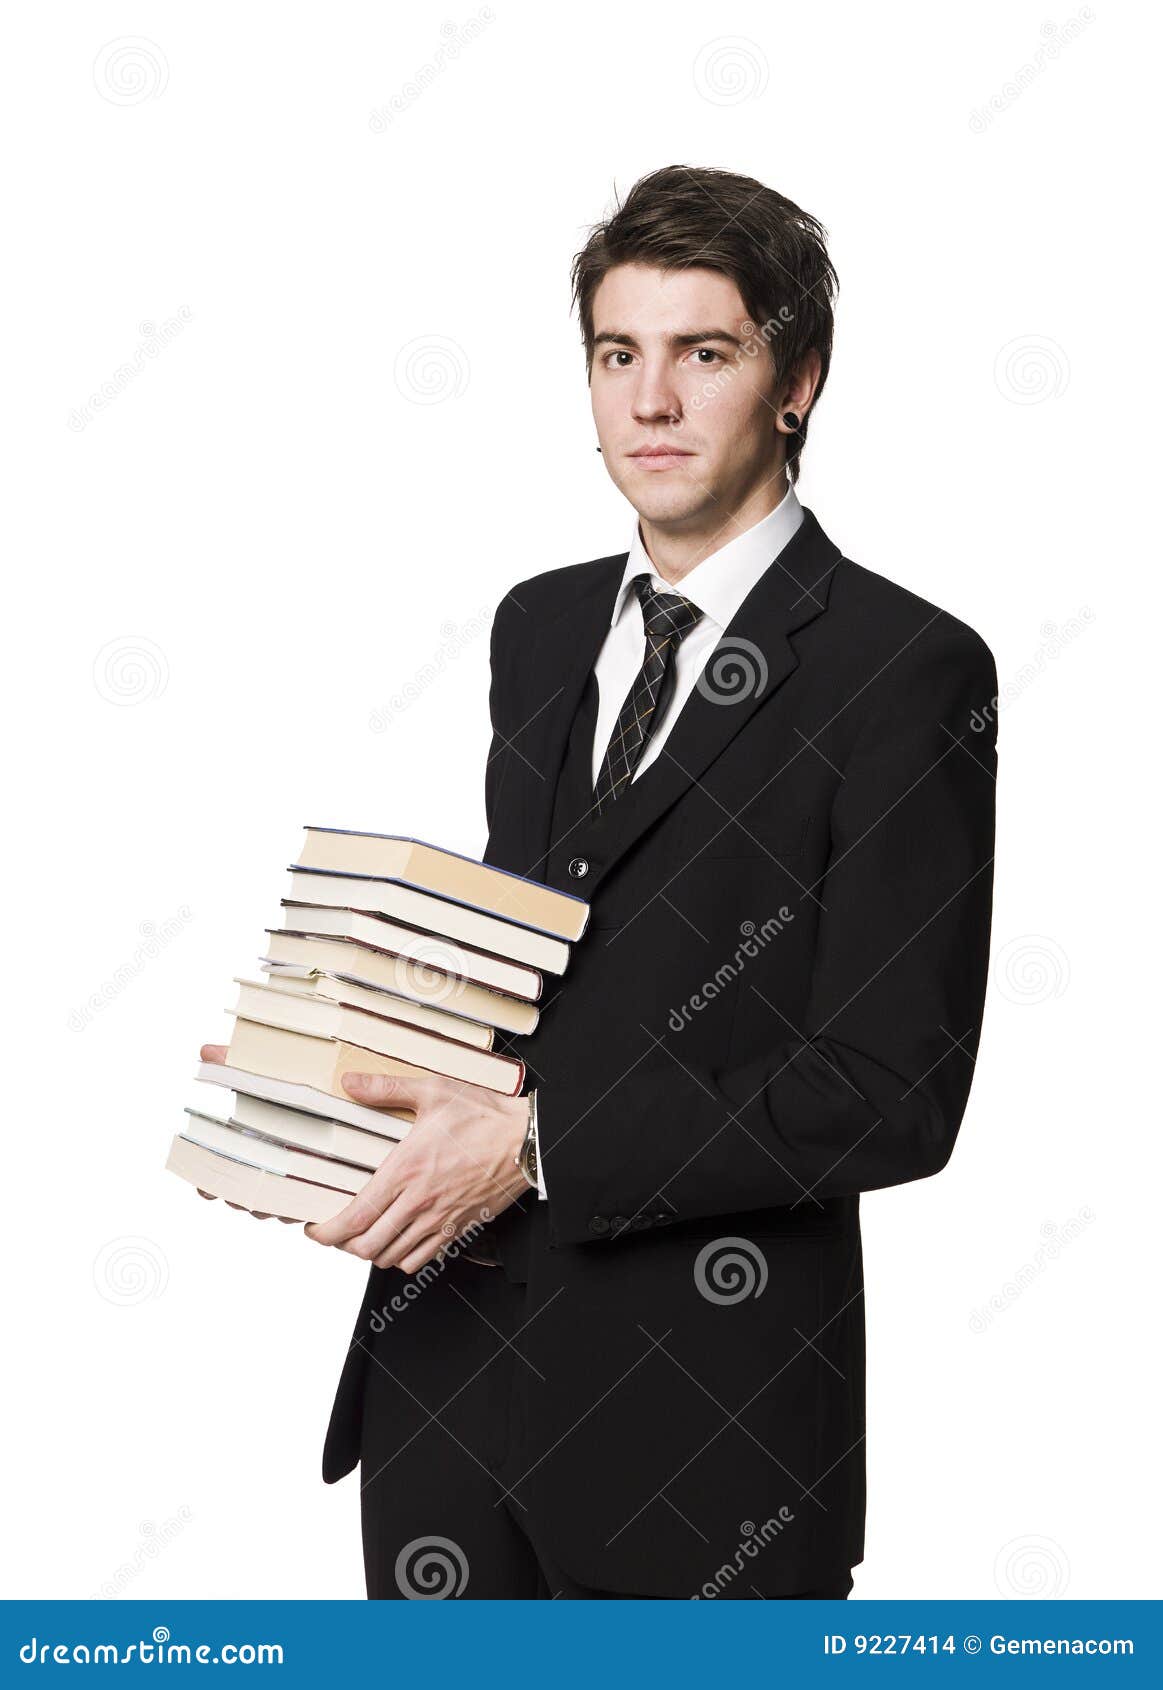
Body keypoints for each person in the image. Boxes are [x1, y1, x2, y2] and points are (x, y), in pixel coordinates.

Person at [200, 164, 997, 1599]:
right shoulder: (541, 624)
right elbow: (551, 968)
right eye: (617, 355)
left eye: (706, 353)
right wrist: (337, 1083)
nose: (651, 402)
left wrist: (540, 1147)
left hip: (705, 1433)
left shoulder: (908, 671)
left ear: (797, 378)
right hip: (444, 1375)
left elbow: (892, 1086)